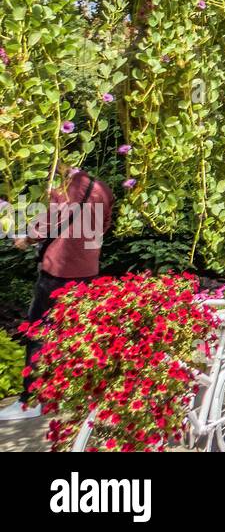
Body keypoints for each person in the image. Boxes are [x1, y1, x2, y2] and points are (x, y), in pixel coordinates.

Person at [0, 165, 113, 422]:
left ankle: (32, 401)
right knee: (78, 332)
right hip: (88, 268)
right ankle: (75, 391)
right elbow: (105, 224)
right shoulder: (102, 187)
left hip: (58, 271)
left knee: (38, 332)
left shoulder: (65, 186)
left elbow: (51, 220)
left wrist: (28, 239)